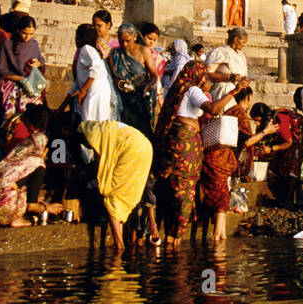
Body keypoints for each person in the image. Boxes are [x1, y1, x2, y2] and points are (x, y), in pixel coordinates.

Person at [154, 59, 215, 245]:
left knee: (172, 187)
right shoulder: (192, 89)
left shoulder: (177, 87)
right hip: (185, 147)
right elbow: (212, 109)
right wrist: (233, 92)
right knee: (185, 190)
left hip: (172, 143)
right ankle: (175, 237)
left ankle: (167, 233)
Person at [77, 115, 152, 252]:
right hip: (145, 147)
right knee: (121, 199)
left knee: (113, 199)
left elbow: (100, 165)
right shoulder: (102, 129)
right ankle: (120, 240)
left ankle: (119, 245)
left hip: (132, 149)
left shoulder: (94, 134)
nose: (87, 146)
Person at [0, 106, 50, 228]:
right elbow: (31, 206)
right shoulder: (37, 164)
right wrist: (47, 207)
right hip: (0, 211)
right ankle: (13, 218)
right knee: (22, 191)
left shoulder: (16, 155)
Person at [197, 76, 253, 241]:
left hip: (218, 158)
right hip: (217, 157)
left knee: (220, 197)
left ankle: (218, 234)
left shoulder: (227, 111)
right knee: (220, 198)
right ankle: (218, 236)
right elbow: (247, 141)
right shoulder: (235, 112)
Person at [109, 22, 165, 137]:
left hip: (140, 100)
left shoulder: (144, 51)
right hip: (122, 98)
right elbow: (112, 76)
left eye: (127, 41)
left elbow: (154, 74)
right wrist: (119, 83)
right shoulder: (115, 53)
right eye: (121, 41)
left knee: (141, 133)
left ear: (135, 37)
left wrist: (151, 84)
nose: (124, 44)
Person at [0, 14, 45, 123]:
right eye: (24, 33)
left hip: (31, 86)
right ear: (18, 30)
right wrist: (20, 79)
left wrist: (38, 64)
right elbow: (1, 69)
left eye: (31, 34)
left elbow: (41, 61)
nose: (27, 37)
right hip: (12, 86)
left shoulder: (34, 44)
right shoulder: (8, 44)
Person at [69, 22, 117, 122]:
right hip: (97, 91)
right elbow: (77, 82)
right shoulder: (90, 50)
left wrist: (83, 90)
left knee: (90, 123)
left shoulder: (86, 49)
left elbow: (96, 67)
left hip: (95, 92)